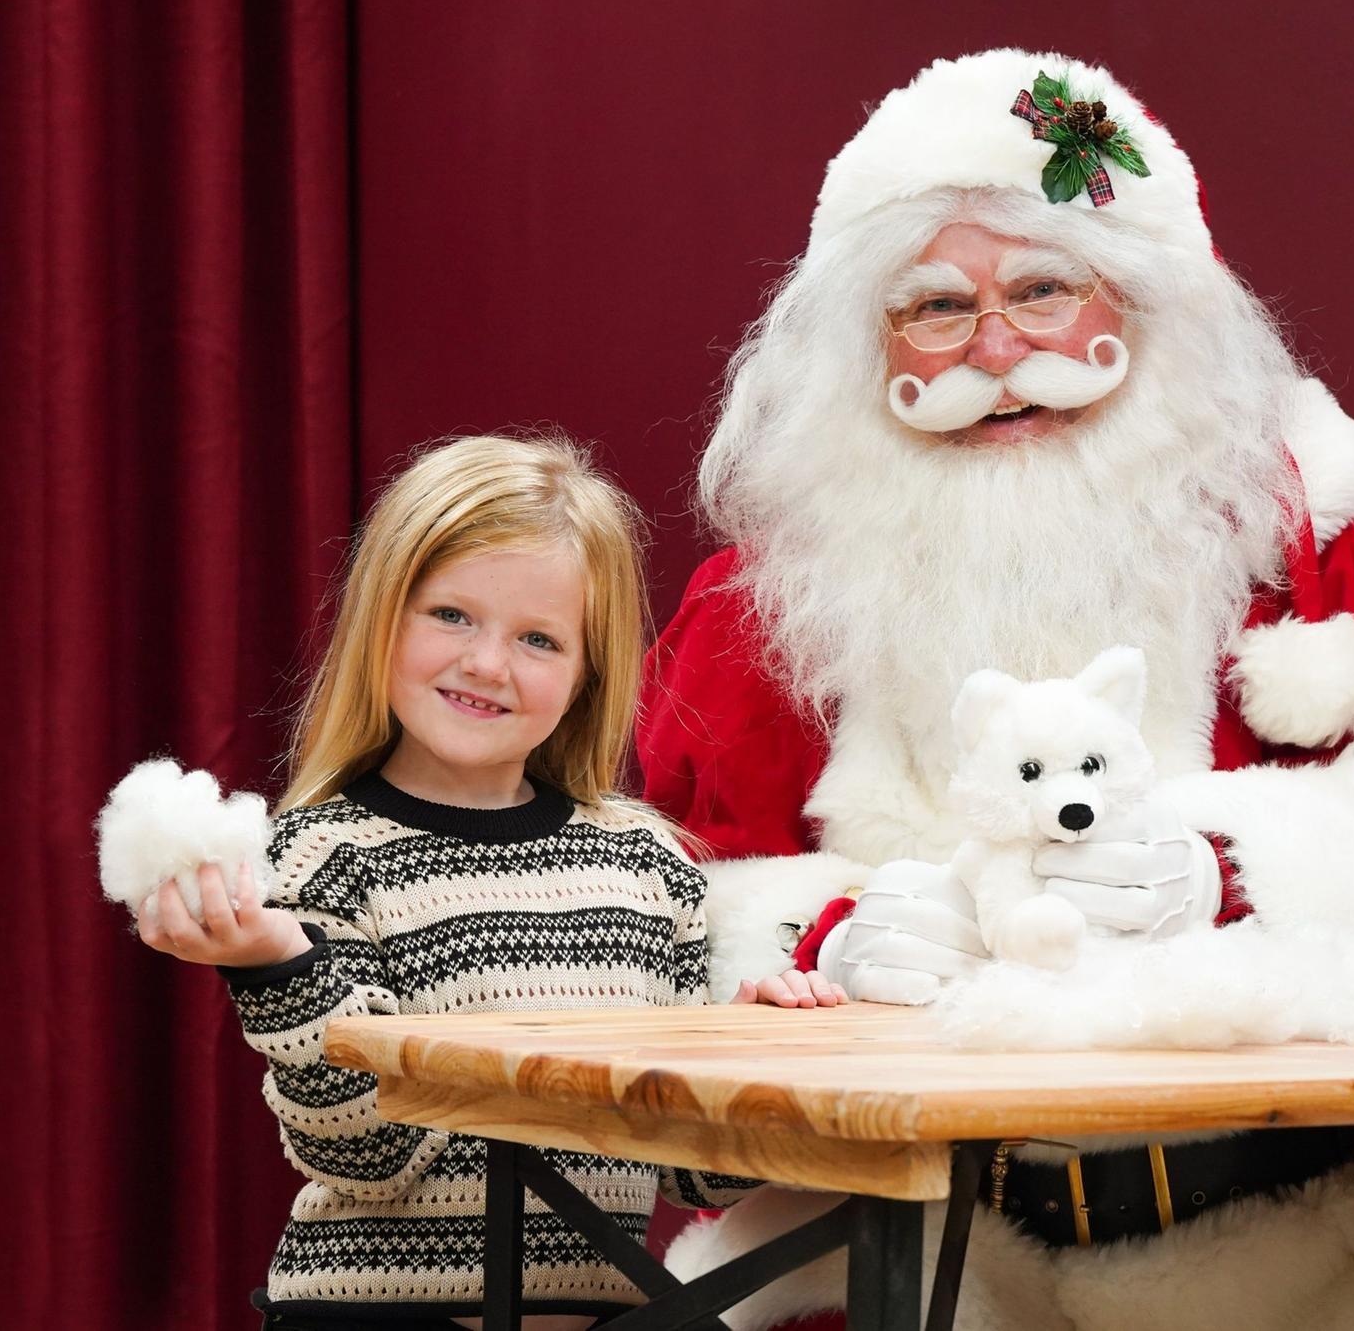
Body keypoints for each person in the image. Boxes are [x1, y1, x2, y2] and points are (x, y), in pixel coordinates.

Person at [640, 51, 1354, 1329]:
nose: (993, 348)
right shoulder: (761, 610)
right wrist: (819, 949)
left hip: (1298, 1210)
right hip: (920, 1225)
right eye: (932, 306)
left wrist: (1239, 872)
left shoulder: (1307, 549)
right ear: (862, 351)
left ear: (1147, 306)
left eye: (1041, 288)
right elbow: (660, 922)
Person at [134, 434, 843, 1331]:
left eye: (538, 638)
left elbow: (691, 1168)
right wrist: (279, 965)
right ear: (382, 616)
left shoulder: (646, 865)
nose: (486, 664)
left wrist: (759, 1054)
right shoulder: (320, 854)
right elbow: (365, 1149)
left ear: (588, 672)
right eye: (452, 616)